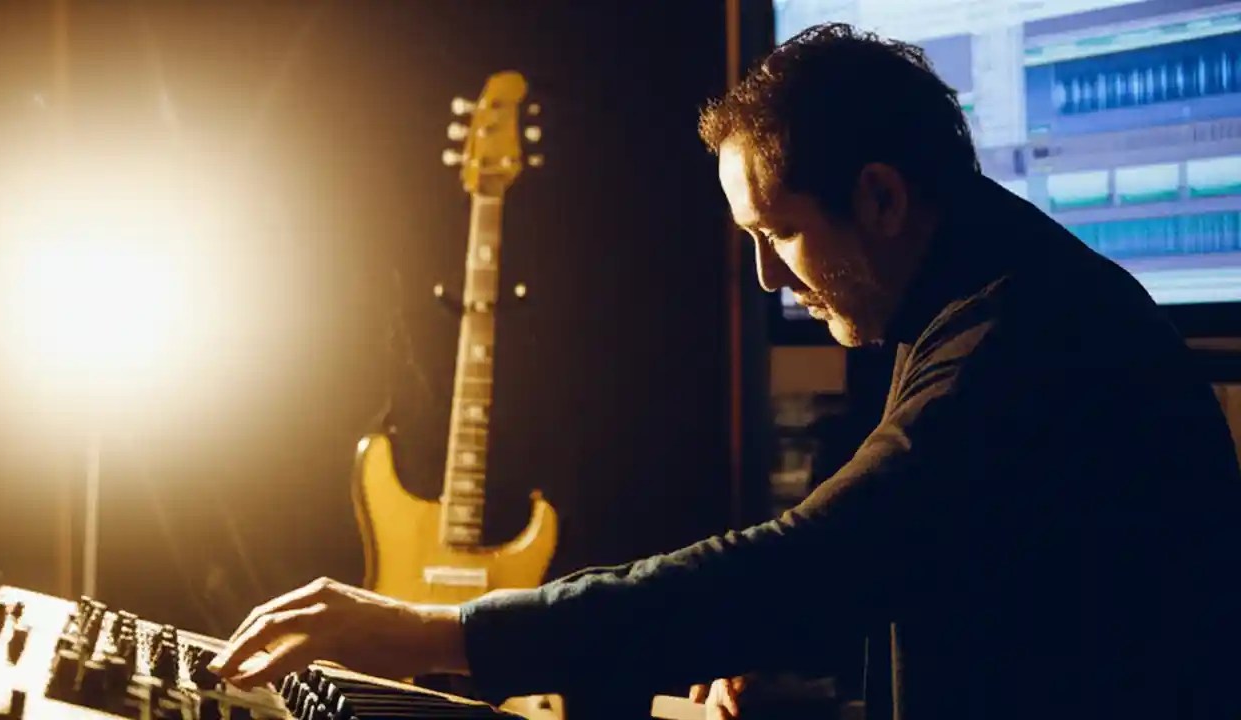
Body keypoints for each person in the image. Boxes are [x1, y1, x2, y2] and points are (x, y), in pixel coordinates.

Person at [208, 23, 1241, 720]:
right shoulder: (987, 293)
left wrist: (431, 628)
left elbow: (811, 560)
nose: (764, 275)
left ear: (879, 198)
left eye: (778, 232)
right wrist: (797, 675)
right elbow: (975, 596)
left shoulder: (1012, 344)